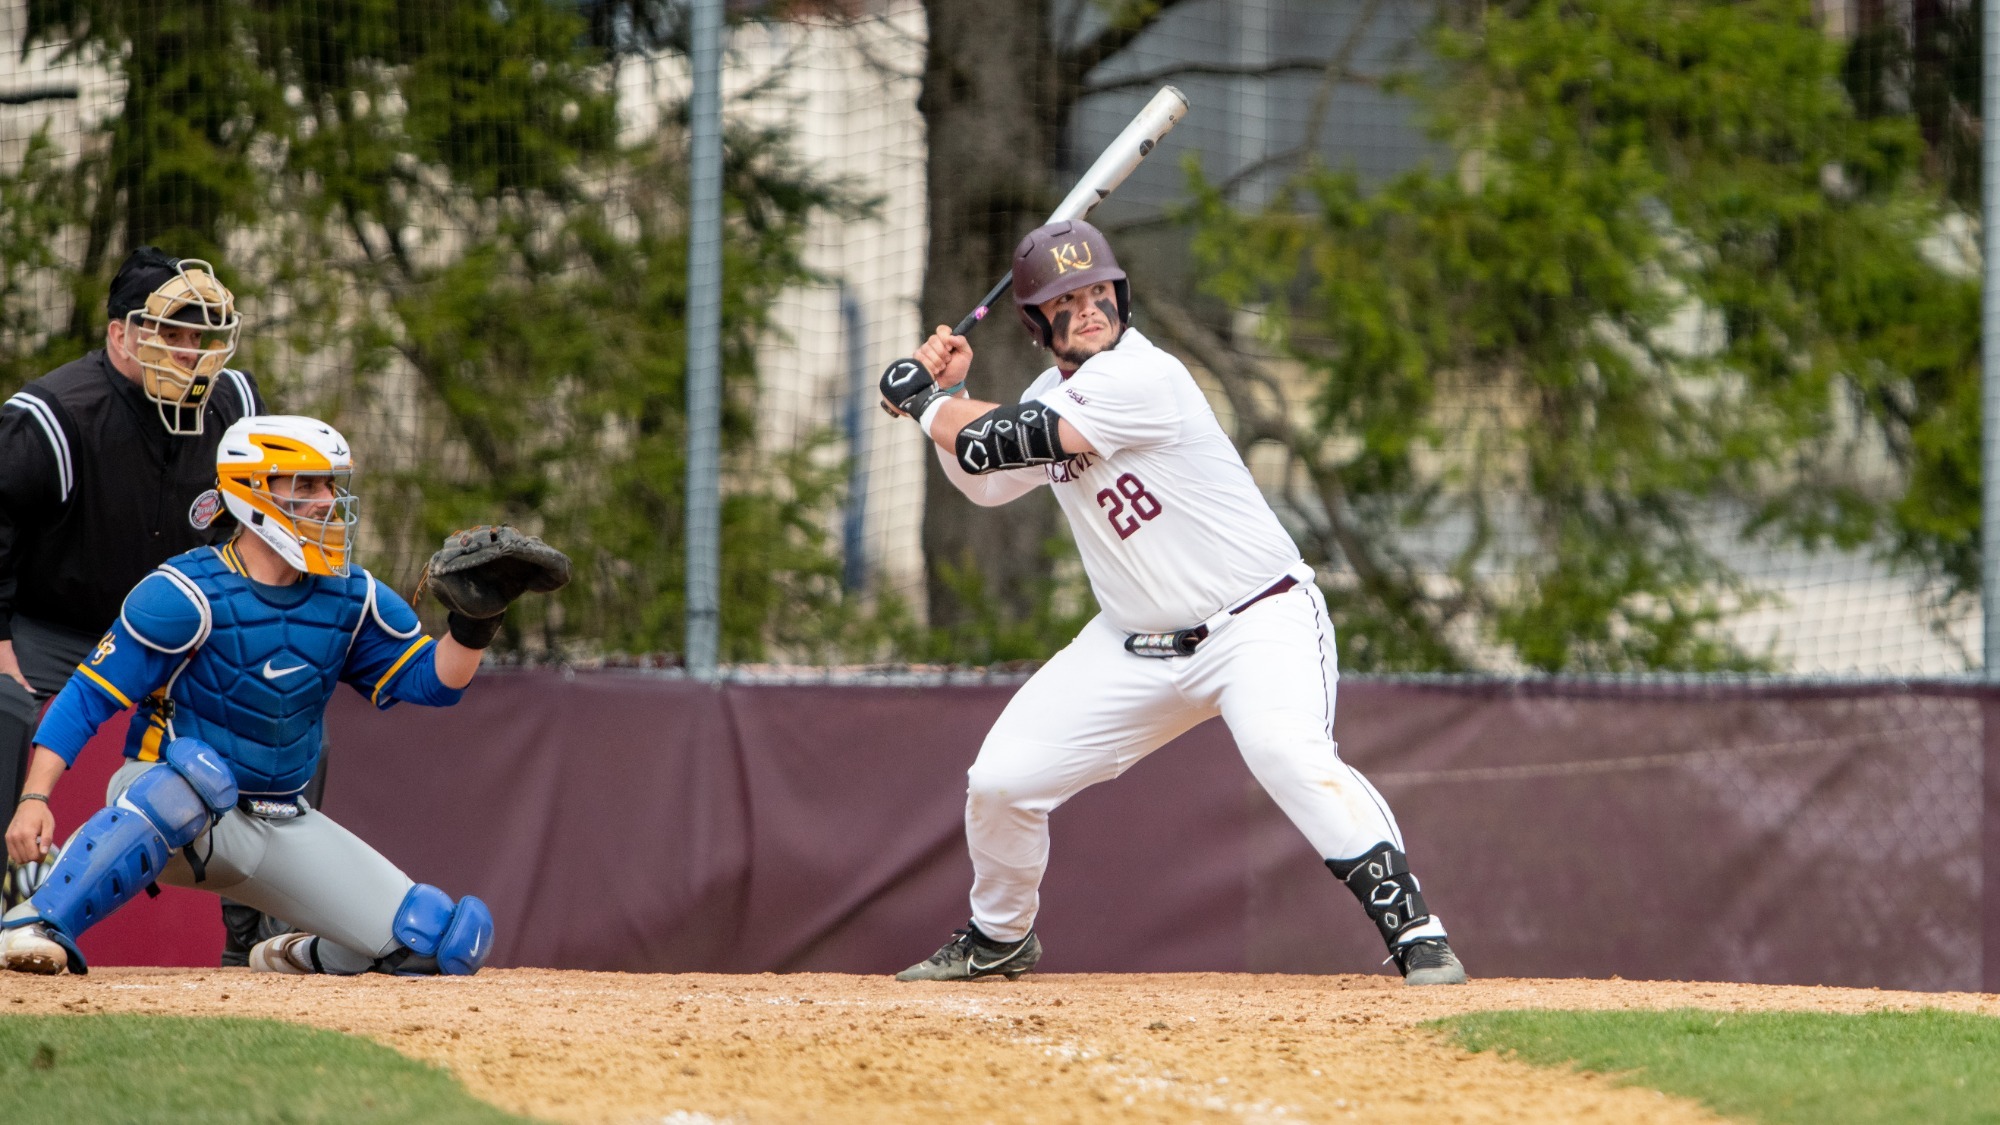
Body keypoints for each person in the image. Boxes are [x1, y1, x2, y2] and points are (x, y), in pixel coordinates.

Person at [881, 219, 1466, 985]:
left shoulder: (1144, 378)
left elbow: (993, 442)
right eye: (1068, 299)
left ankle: (1417, 932)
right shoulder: (1045, 393)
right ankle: (1000, 935)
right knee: (1002, 782)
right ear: (1037, 322)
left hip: (1256, 622)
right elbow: (985, 480)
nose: (1090, 308)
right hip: (1133, 643)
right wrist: (948, 400)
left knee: (1288, 754)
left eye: (1100, 291)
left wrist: (927, 404)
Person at [0, 415, 567, 976]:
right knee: (190, 782)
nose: (325, 500)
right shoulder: (184, 591)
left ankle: (295, 954)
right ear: (250, 493)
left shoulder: (352, 593)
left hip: (282, 821)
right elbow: (86, 697)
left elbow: (433, 683)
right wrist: (34, 799)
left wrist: (477, 621)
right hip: (172, 810)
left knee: (434, 940)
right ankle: (38, 921)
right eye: (305, 485)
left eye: (330, 485)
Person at [0, 247, 306, 962]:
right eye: (170, 334)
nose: (190, 352)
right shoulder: (53, 416)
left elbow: (262, 522)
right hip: (56, 622)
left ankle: (259, 933)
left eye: (201, 336)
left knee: (286, 708)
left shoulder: (236, 407)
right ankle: (13, 906)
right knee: (3, 708)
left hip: (177, 627)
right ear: (119, 335)